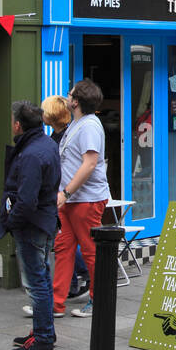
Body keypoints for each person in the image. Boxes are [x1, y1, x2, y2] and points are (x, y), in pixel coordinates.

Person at [0, 101, 61, 350]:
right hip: (44, 220)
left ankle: (44, 337)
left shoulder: (33, 153)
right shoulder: (47, 145)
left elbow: (26, 199)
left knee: (36, 282)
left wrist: (11, 222)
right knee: (42, 277)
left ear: (17, 124)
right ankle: (44, 330)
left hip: (32, 225)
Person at [53, 79, 111, 320]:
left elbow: (89, 163)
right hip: (70, 201)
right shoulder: (77, 123)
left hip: (85, 200)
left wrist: (66, 193)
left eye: (70, 94)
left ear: (76, 102)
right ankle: (55, 304)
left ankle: (99, 301)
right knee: (63, 249)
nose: (67, 97)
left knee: (90, 251)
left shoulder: (89, 126)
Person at [43, 95, 90, 301]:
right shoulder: (61, 136)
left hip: (65, 196)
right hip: (63, 196)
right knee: (65, 242)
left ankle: (83, 275)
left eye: (44, 111)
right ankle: (71, 284)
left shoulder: (63, 138)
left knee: (65, 242)